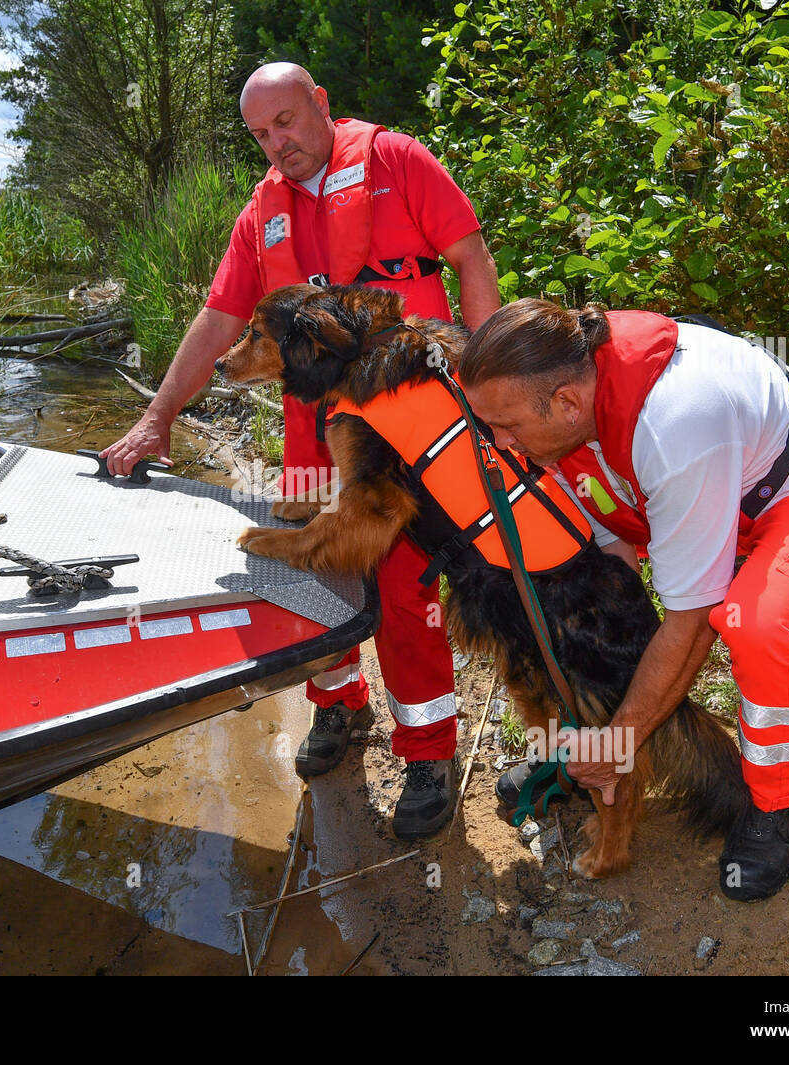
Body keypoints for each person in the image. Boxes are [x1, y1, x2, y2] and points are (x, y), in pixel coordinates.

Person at [102, 62, 500, 837]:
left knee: (404, 583)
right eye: (260, 134)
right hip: (314, 423)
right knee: (311, 568)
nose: (276, 144)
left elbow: (471, 260)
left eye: (285, 122)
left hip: (411, 416)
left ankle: (427, 750)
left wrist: (486, 386)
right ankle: (339, 705)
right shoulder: (263, 211)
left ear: (320, 103)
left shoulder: (396, 161)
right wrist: (156, 418)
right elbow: (220, 318)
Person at [458, 300, 789, 899]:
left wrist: (620, 741)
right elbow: (612, 557)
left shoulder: (676, 422)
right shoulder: (575, 389)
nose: (498, 443)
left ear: (566, 403)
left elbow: (692, 623)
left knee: (761, 622)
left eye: (506, 427)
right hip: (717, 488)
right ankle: (579, 759)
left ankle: (772, 803)